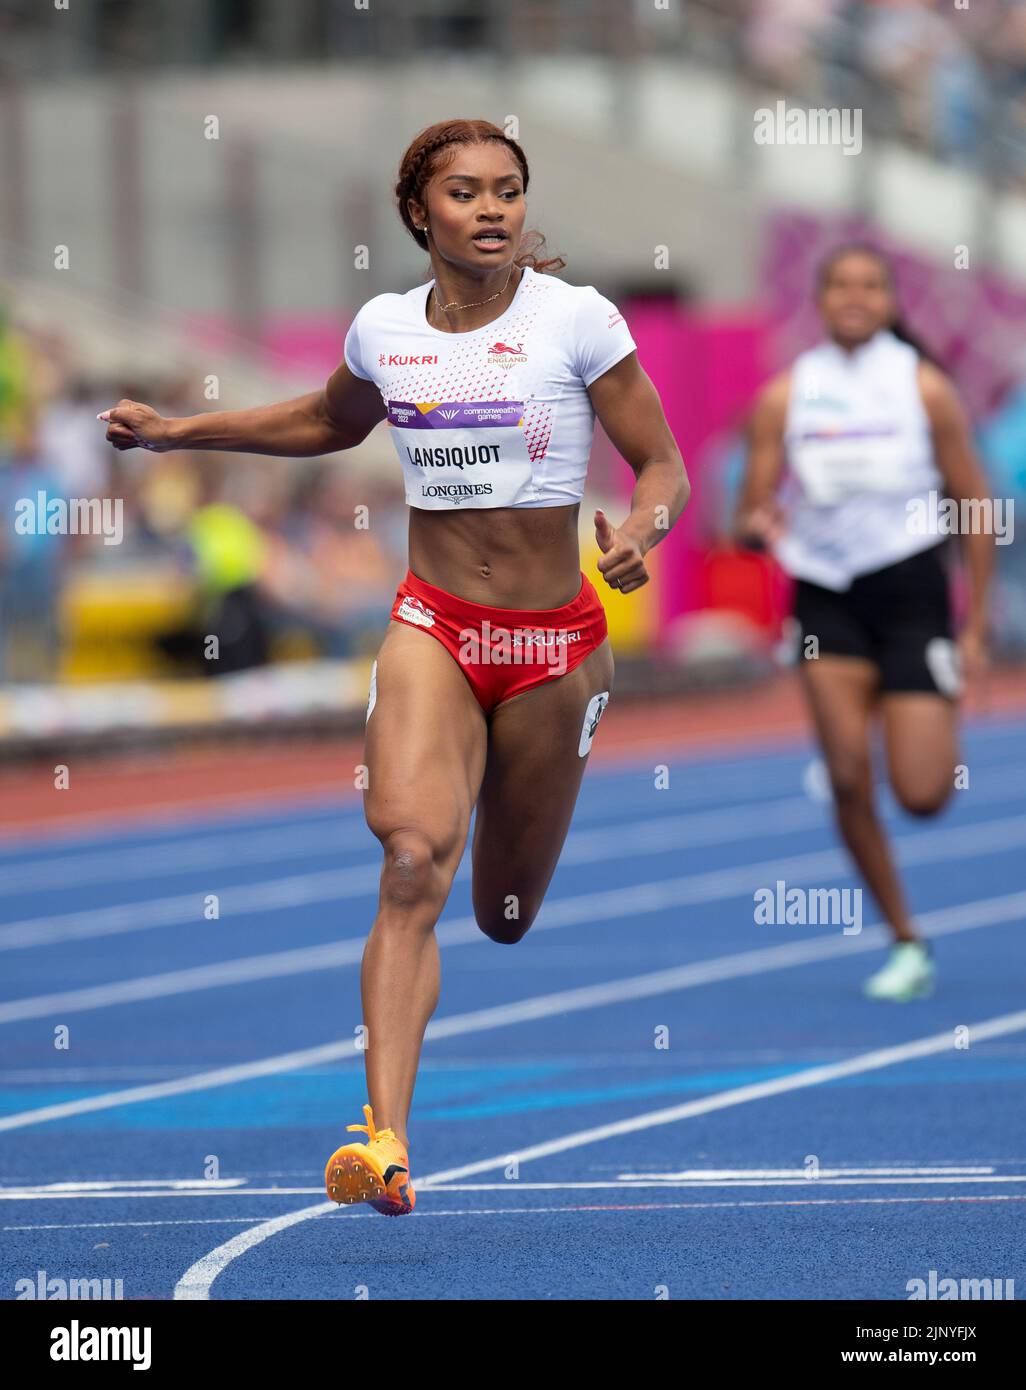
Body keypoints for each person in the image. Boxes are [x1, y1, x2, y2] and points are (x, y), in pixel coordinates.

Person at [98, 118, 690, 1216]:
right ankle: (386, 1141)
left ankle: (492, 897)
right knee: (412, 858)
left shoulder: (578, 321)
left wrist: (639, 535)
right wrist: (183, 432)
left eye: (508, 190)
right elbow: (328, 418)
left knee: (503, 913)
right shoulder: (384, 328)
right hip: (435, 627)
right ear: (420, 213)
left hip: (554, 648)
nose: (493, 209)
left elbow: (661, 460)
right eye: (465, 192)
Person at [736, 244, 993, 1003]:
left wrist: (974, 624)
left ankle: (924, 708)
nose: (855, 297)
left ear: (888, 299)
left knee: (921, 793)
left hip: (911, 588)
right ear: (819, 298)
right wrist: (759, 524)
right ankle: (905, 939)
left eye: (870, 285)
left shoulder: (925, 388)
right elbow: (747, 510)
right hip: (825, 596)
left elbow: (974, 504)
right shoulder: (788, 394)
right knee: (848, 773)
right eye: (841, 284)